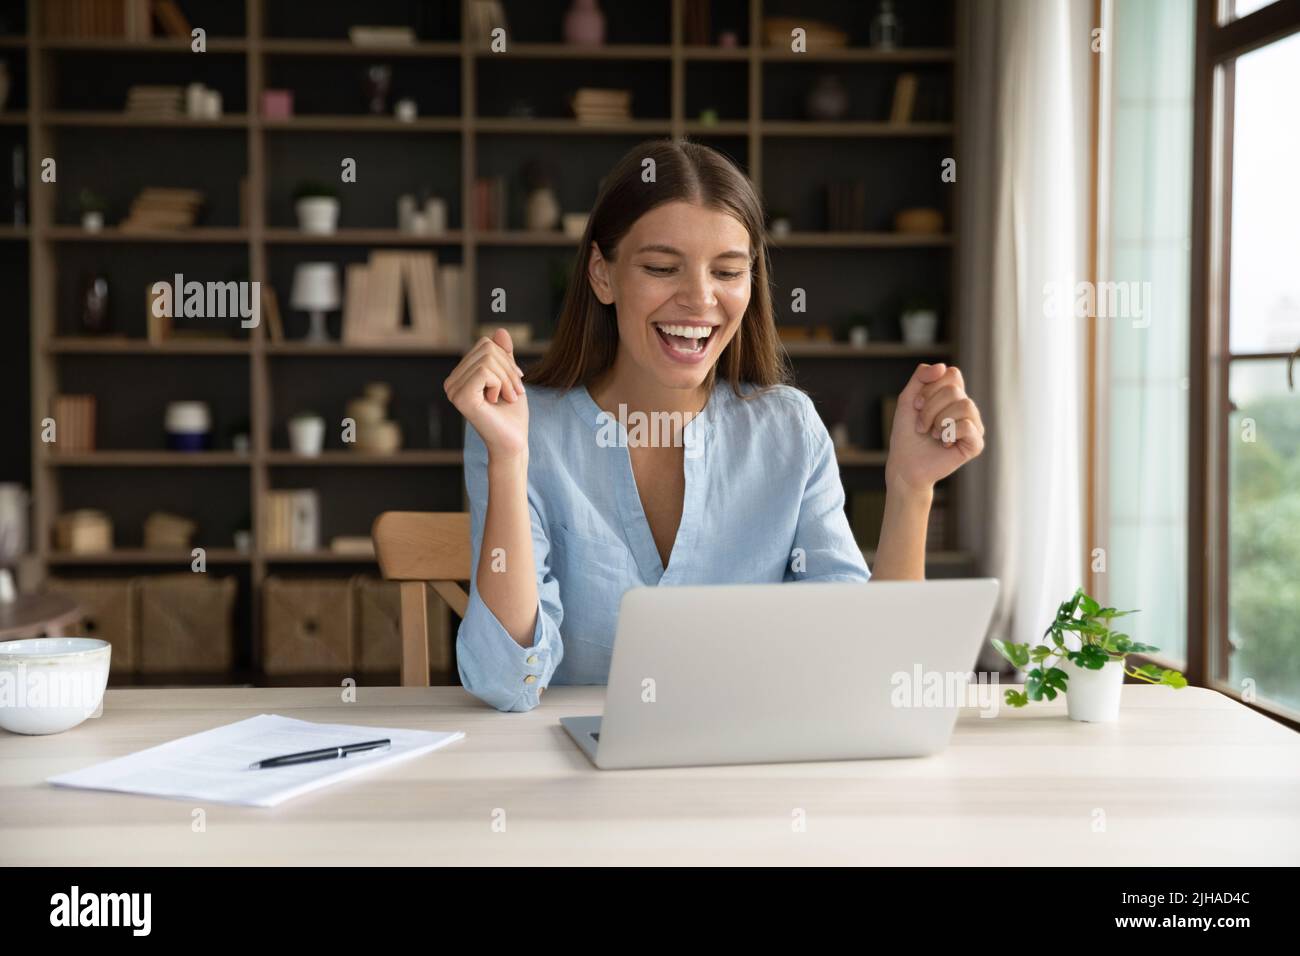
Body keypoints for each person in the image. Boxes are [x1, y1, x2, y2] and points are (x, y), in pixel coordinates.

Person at [443, 139, 985, 712]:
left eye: (728, 271)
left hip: (748, 778)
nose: (700, 300)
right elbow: (507, 683)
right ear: (603, 275)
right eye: (661, 268)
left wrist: (911, 489)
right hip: (572, 779)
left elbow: (869, 672)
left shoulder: (788, 431)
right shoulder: (525, 430)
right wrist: (507, 459)